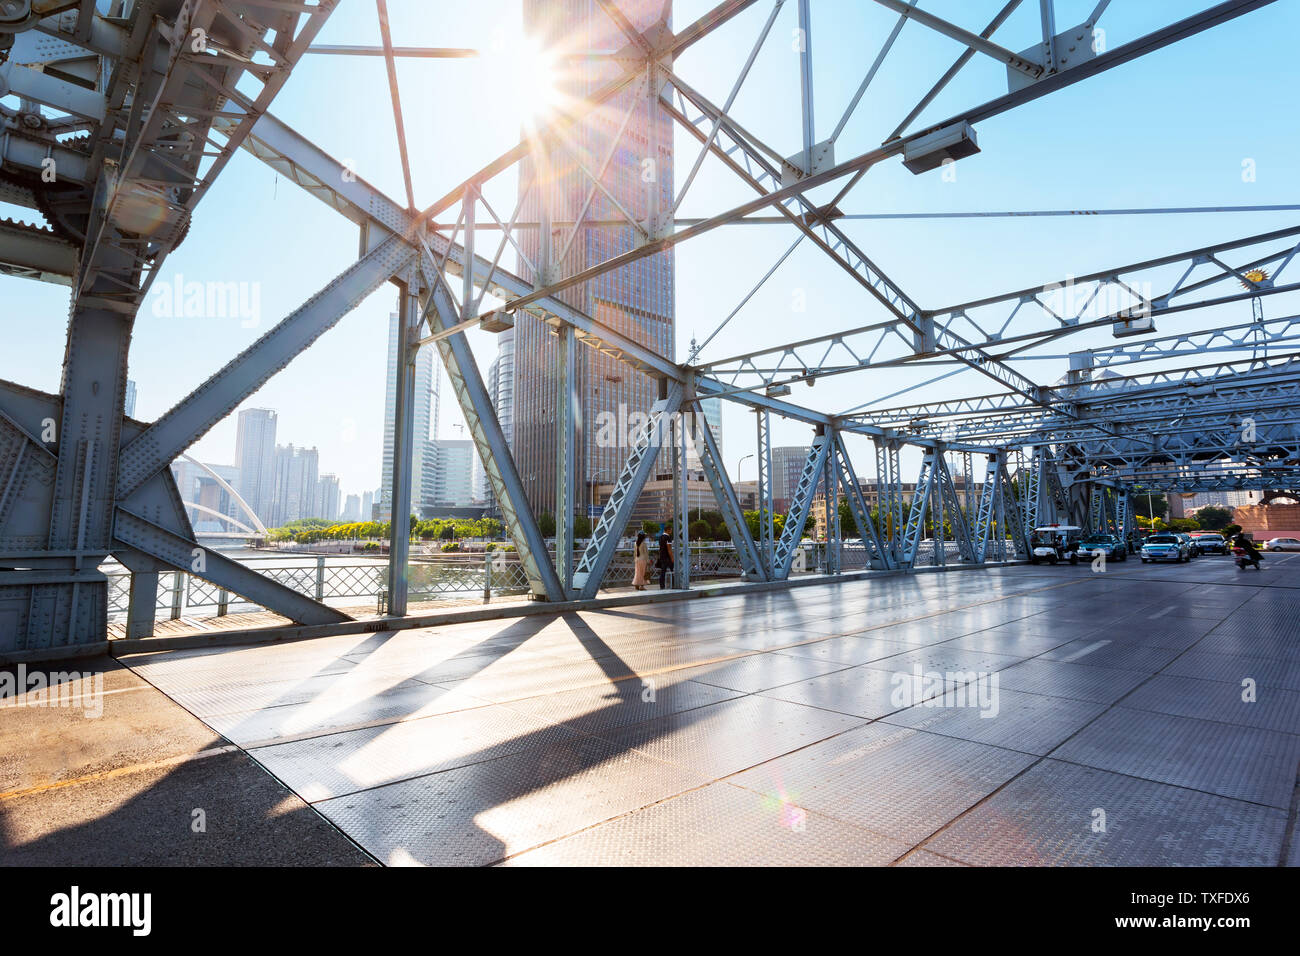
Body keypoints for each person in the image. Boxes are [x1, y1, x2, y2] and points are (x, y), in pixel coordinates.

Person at [656, 522, 674, 589]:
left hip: (661, 556)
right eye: (671, 530)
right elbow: (669, 548)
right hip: (667, 557)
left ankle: (662, 586)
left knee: (663, 572)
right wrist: (672, 558)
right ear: (668, 530)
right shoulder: (668, 537)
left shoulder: (661, 537)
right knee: (672, 570)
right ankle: (673, 584)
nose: (671, 532)